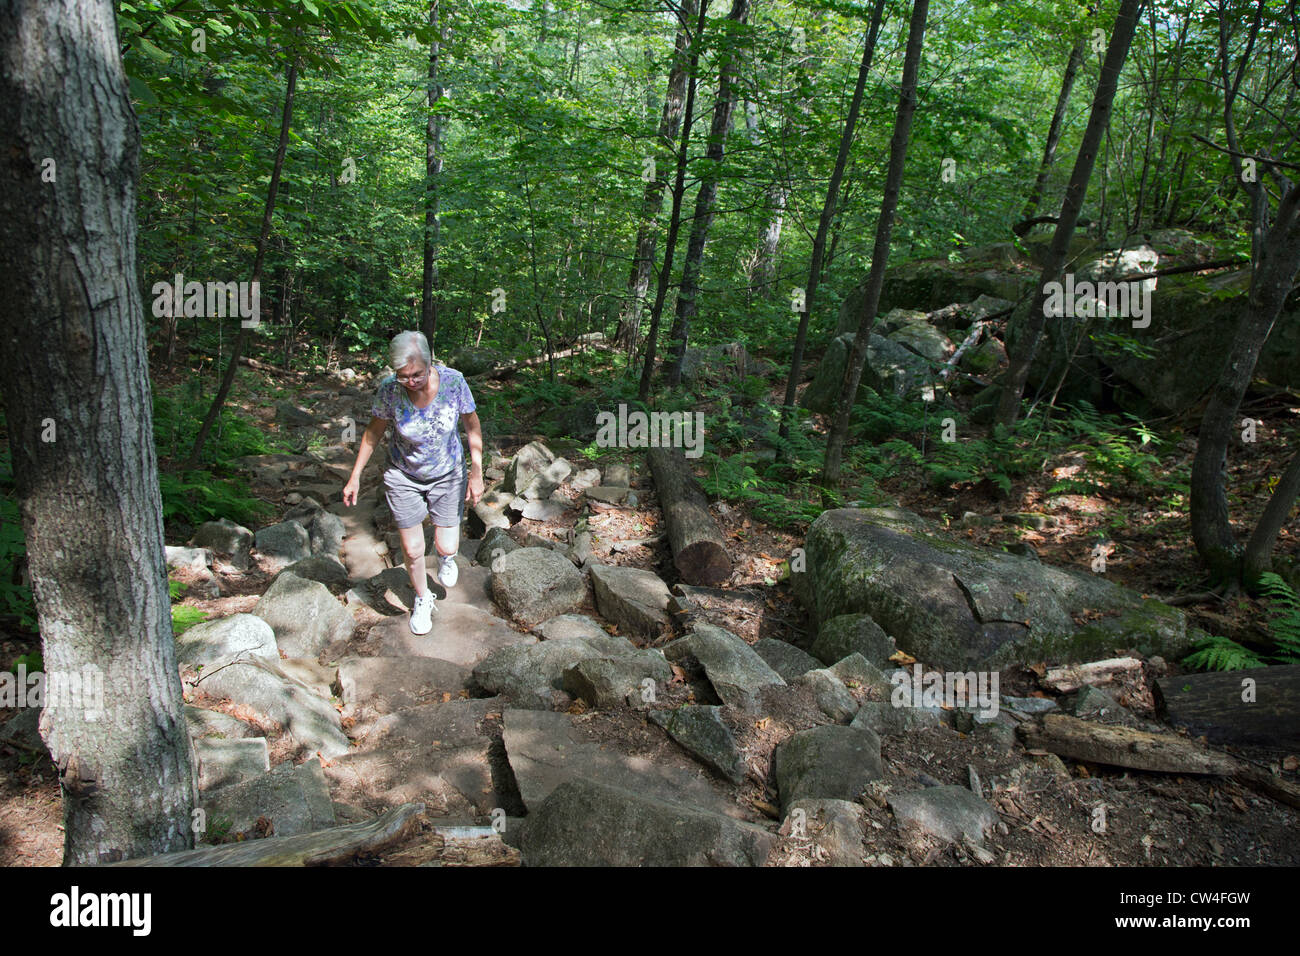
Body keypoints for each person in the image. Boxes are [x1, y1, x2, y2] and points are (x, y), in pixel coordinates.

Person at [342, 331, 484, 635]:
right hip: (402, 474)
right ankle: (422, 597)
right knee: (413, 548)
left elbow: (472, 425)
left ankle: (447, 558)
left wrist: (477, 471)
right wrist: (354, 476)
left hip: (447, 473)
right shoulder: (390, 391)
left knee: (447, 544)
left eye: (417, 374)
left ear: (429, 363)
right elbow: (372, 433)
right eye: (403, 376)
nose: (411, 382)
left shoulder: (454, 382)